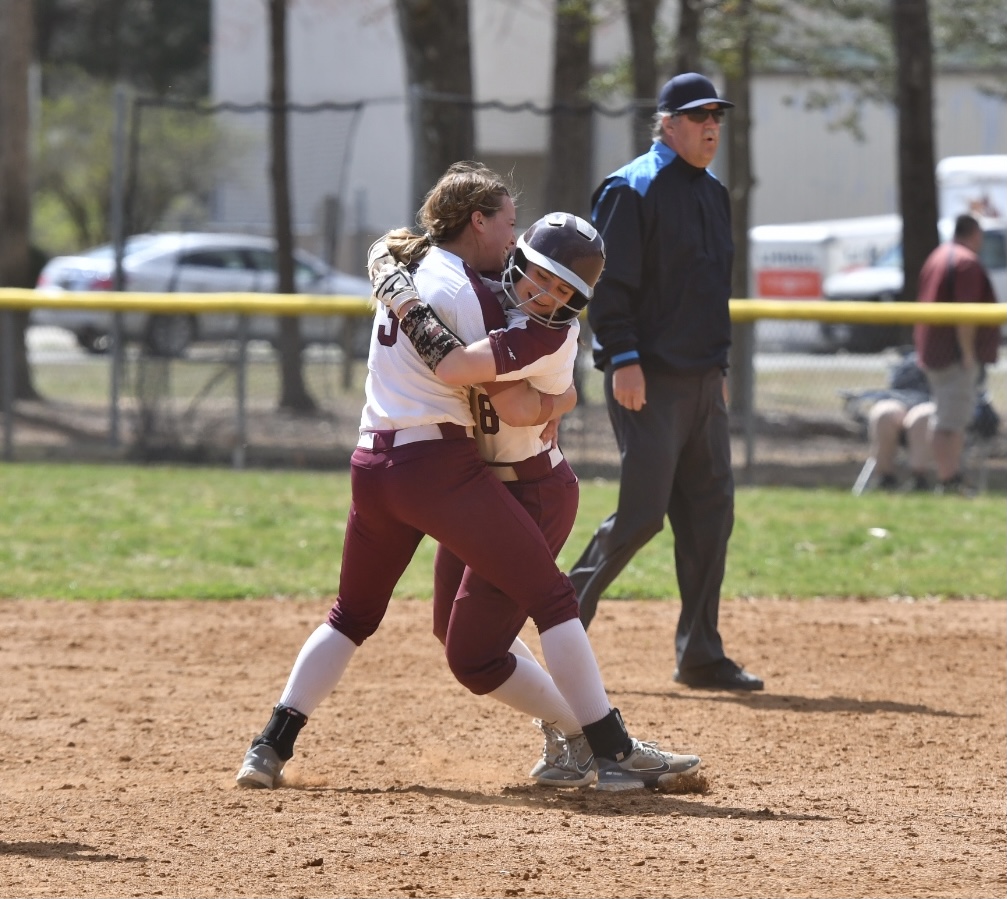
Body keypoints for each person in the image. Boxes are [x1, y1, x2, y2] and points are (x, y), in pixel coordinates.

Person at [235, 162, 700, 793]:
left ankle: (270, 746)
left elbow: (415, 275)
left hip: (372, 461)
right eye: (510, 225)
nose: (515, 240)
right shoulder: (471, 294)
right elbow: (462, 367)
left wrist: (388, 277)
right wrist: (559, 404)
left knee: (352, 613)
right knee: (552, 600)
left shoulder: (425, 267)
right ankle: (609, 746)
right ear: (476, 221)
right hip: (437, 467)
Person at [565, 72, 763, 691]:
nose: (712, 127)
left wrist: (721, 368)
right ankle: (558, 619)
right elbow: (609, 284)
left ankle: (701, 653)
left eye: (718, 117)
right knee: (643, 514)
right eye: (699, 116)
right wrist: (621, 357)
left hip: (703, 381)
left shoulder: (711, 192)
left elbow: (711, 291)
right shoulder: (633, 188)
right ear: (668, 123)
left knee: (710, 515)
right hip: (647, 380)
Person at [913, 213, 1000, 495]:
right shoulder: (965, 262)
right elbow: (965, 313)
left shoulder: (938, 255)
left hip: (934, 351)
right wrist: (967, 353)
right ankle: (949, 480)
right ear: (974, 234)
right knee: (950, 422)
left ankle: (945, 476)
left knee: (946, 416)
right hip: (953, 355)